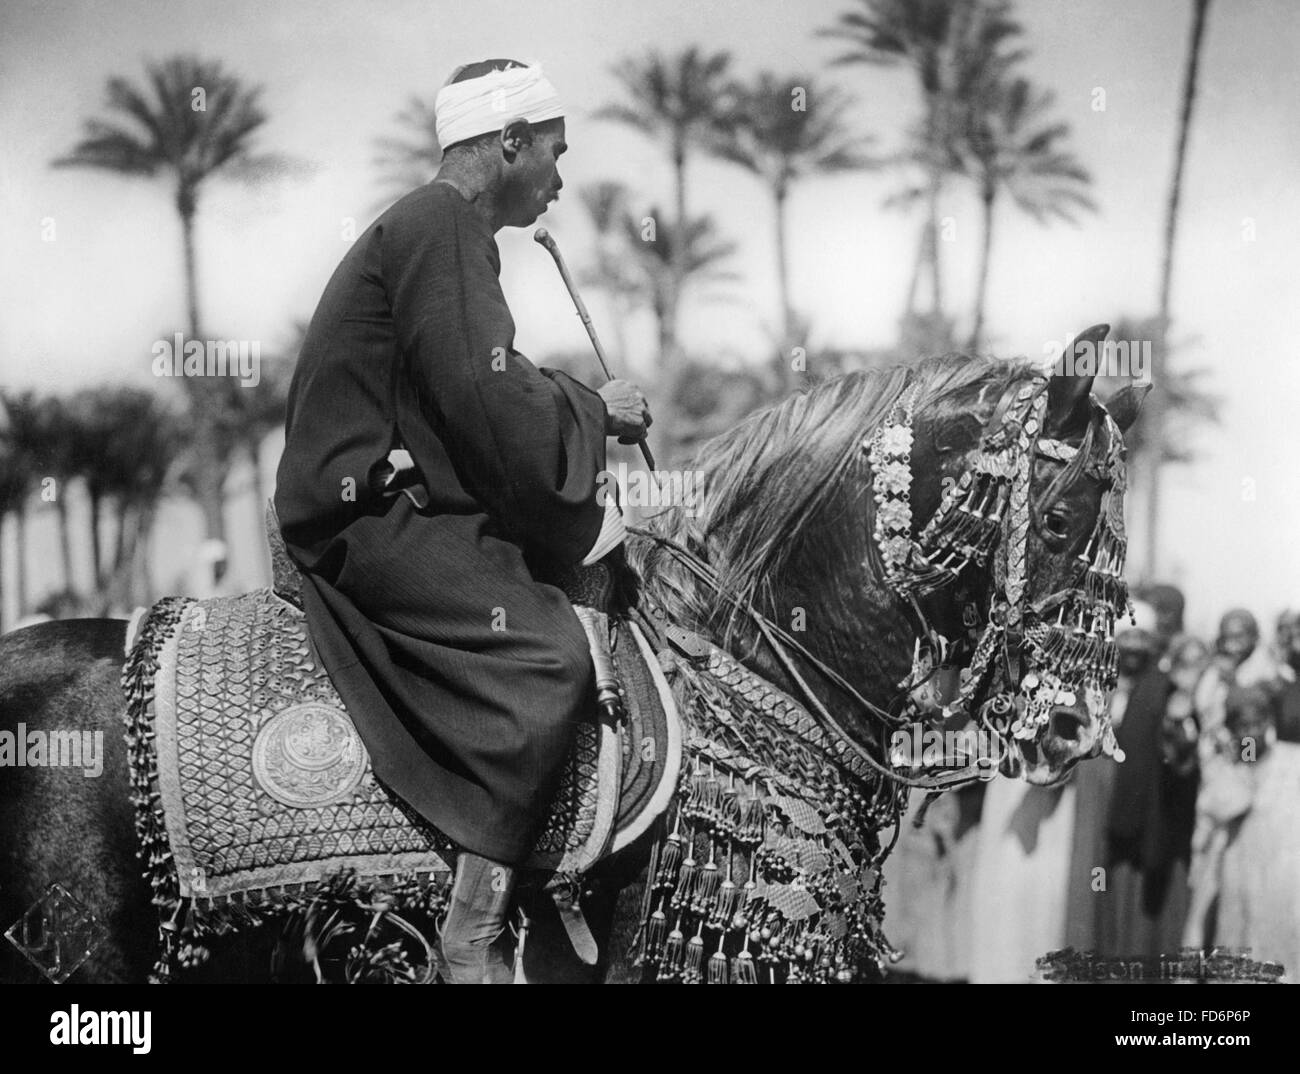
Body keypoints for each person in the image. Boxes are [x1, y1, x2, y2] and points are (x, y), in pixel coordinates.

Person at [274, 58, 652, 983]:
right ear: (510, 142)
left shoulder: (433, 229)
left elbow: (479, 389)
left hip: (387, 497)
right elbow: (485, 403)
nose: (560, 180)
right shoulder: (441, 224)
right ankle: (475, 927)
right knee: (549, 652)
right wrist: (598, 414)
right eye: (553, 155)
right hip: (358, 519)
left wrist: (577, 409)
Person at [1065, 602, 1196, 959]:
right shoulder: (1095, 687)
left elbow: (1180, 747)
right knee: (1097, 873)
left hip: (1144, 797)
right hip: (1095, 793)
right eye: (1127, 639)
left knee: (1134, 883)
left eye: (1142, 639)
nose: (1134, 649)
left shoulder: (1164, 688)